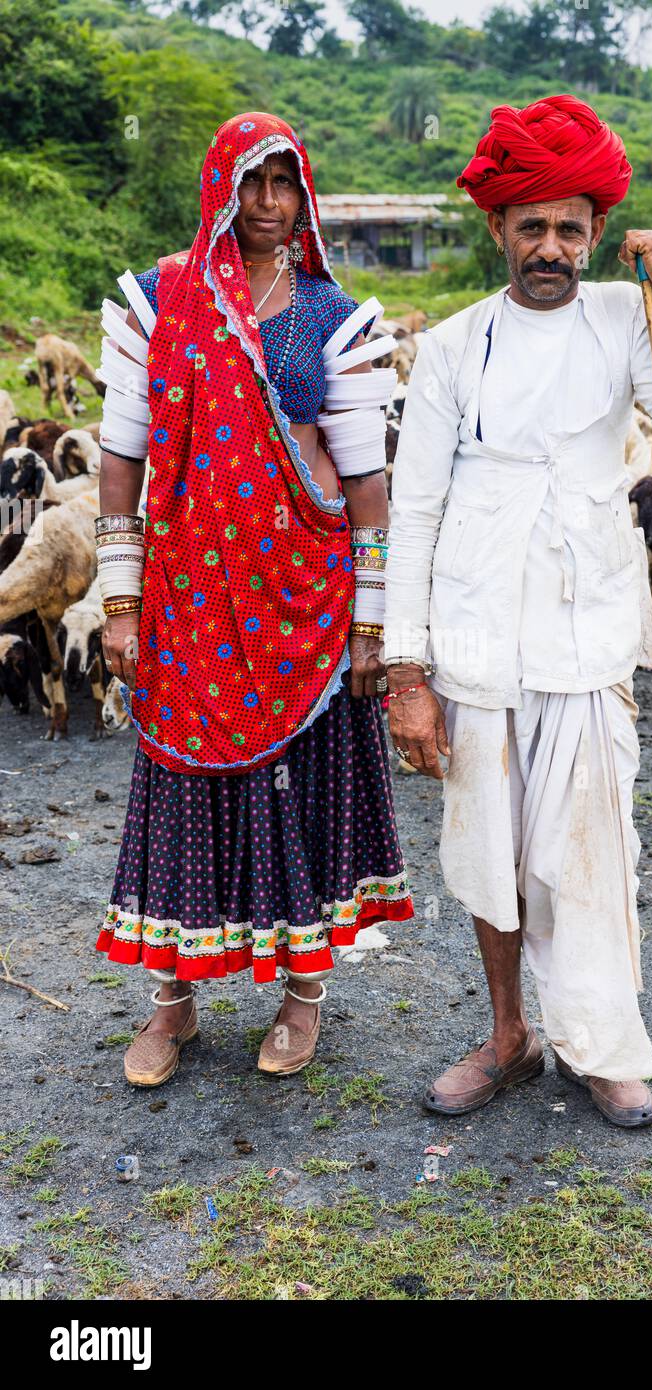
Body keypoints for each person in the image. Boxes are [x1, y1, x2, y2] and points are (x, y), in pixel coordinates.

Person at [383, 95, 652, 1126]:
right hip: (477, 631)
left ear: (593, 236)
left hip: (588, 630)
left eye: (570, 228)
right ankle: (510, 1038)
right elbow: (413, 508)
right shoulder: (452, 347)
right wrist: (408, 673)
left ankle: (597, 1044)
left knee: (590, 850)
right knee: (489, 852)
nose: (550, 246)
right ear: (497, 229)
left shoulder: (629, 321)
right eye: (530, 225)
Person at [96, 111, 412, 1088]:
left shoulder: (330, 313)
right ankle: (173, 1004)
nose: (270, 205)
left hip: (302, 607)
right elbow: (118, 461)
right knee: (182, 791)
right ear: (221, 190)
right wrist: (118, 601)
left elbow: (365, 482)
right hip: (190, 604)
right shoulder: (161, 302)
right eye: (253, 183)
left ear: (303, 196)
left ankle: (301, 995)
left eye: (286, 184)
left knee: (302, 795)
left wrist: (370, 615)